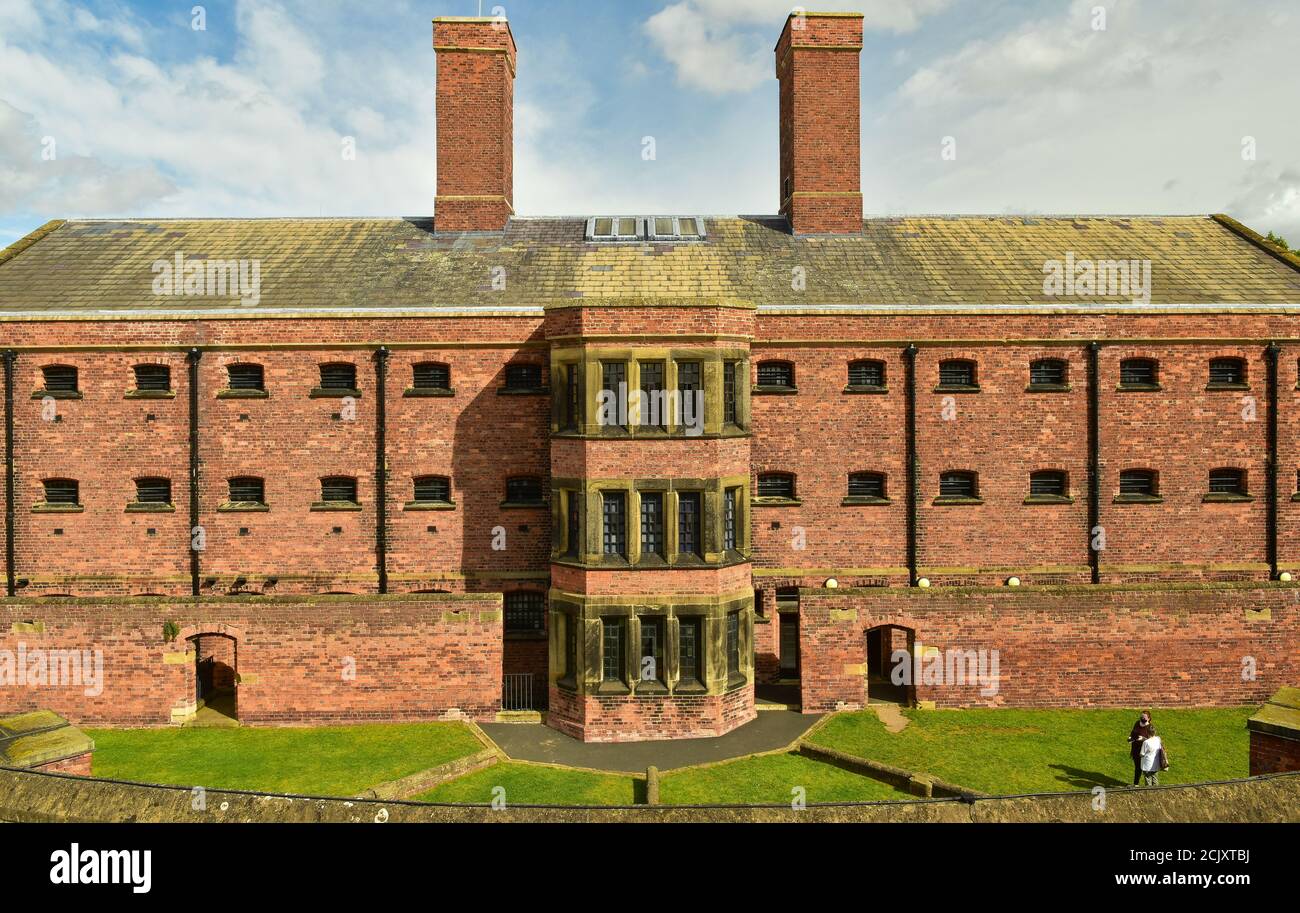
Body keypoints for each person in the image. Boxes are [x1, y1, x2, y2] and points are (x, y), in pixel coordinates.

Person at [1127, 711, 1153, 786]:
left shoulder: (1150, 727)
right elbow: (1133, 733)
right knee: (1137, 768)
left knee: (1146, 768)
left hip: (1145, 751)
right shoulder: (1137, 723)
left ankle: (1149, 786)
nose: (1142, 718)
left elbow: (1152, 740)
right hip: (1136, 749)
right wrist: (1130, 738)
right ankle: (1136, 784)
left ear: (1148, 718)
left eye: (1144, 717)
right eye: (1141, 717)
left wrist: (1143, 739)